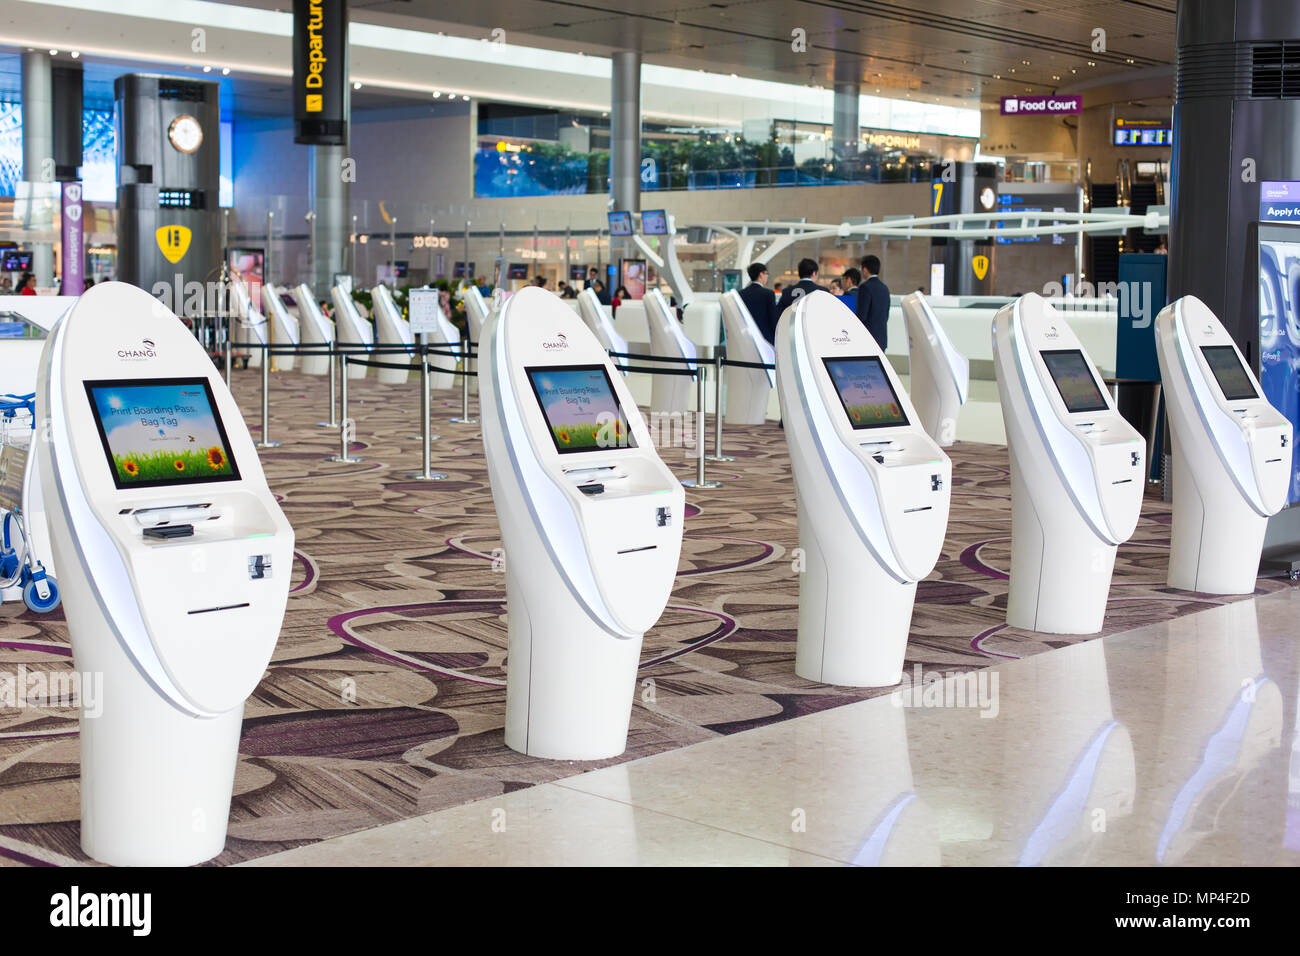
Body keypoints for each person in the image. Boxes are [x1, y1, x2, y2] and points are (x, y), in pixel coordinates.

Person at [739, 261, 779, 344]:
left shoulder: (741, 293)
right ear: (761, 274)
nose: (767, 276)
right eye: (766, 274)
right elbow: (773, 319)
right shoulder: (768, 294)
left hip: (747, 337)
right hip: (765, 339)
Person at [855, 254, 890, 349]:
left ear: (865, 269)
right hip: (881, 338)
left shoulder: (865, 287)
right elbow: (886, 315)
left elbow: (862, 315)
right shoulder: (884, 288)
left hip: (868, 338)